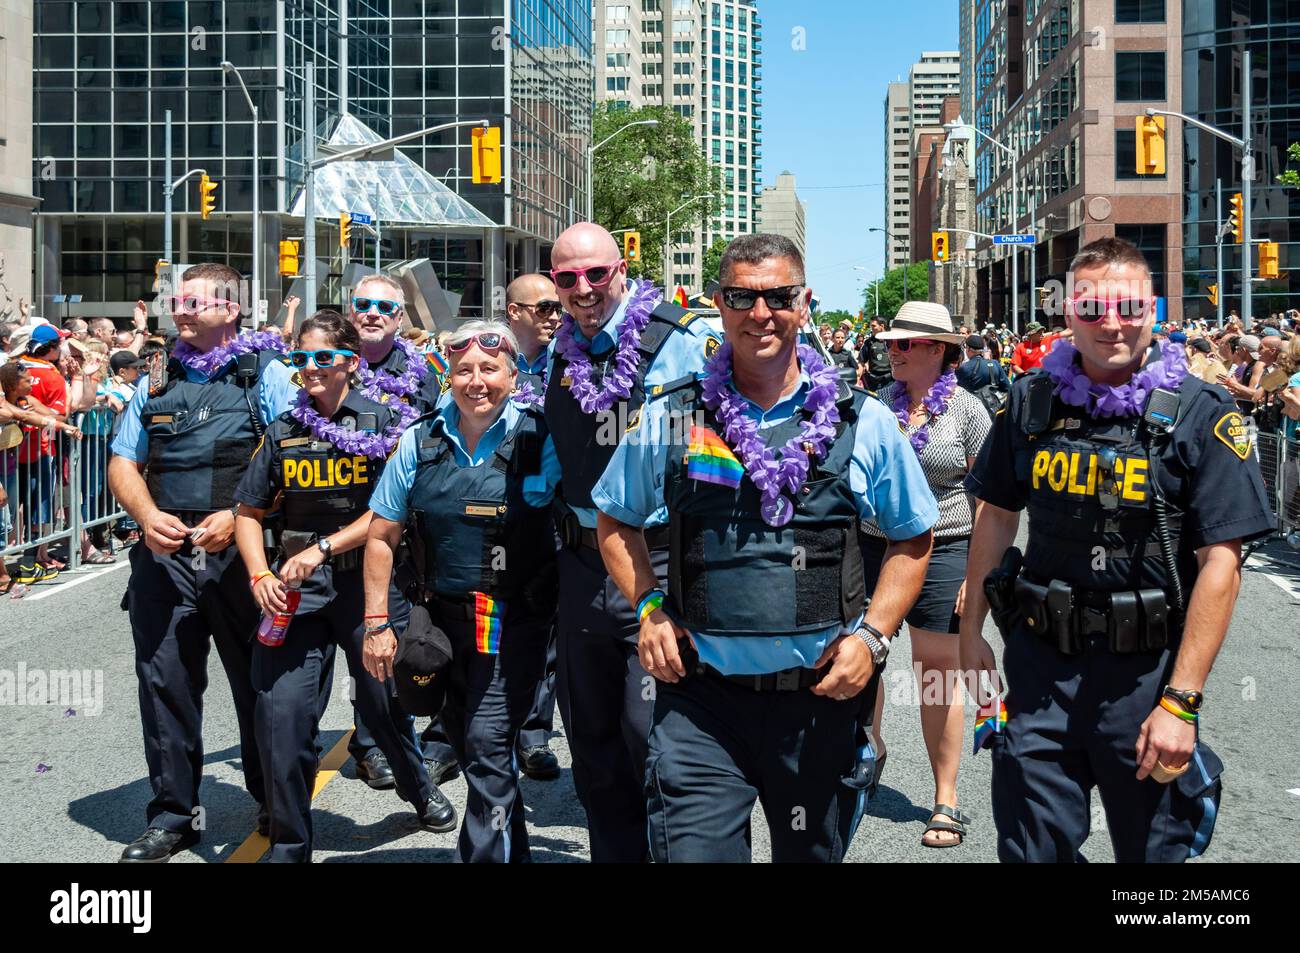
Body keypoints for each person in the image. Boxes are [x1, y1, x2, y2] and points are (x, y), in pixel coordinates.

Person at [593, 234, 936, 862]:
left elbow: (913, 535)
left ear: (804, 303)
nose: (760, 314)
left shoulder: (863, 420)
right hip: (700, 705)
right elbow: (615, 519)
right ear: (717, 304)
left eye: (777, 297)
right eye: (741, 297)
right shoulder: (674, 416)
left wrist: (875, 637)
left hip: (817, 701)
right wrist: (646, 608)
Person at [959, 237, 1272, 862]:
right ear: (1068, 311)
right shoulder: (1027, 401)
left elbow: (1222, 563)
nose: (1111, 323)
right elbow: (996, 514)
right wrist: (970, 635)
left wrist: (1182, 702)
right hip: (1040, 664)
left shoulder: (1200, 411)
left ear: (1152, 309)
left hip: (1146, 674)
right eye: (1092, 306)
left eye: (1128, 306)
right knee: (1030, 850)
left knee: (1154, 862)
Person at [233, 310, 451, 862]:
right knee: (284, 719)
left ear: (350, 364)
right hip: (297, 593)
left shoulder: (385, 423)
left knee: (382, 704)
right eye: (300, 358)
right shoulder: (283, 431)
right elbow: (247, 511)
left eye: (322, 358)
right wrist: (259, 571)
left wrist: (323, 548)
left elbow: (389, 513)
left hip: (366, 589)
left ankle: (418, 787)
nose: (309, 368)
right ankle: (289, 843)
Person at [108, 262, 297, 862]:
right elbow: (121, 461)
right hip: (164, 559)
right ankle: (173, 817)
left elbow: (298, 458)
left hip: (240, 557)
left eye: (195, 302)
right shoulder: (153, 380)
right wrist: (144, 516)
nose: (181, 311)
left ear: (232, 309)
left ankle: (273, 800)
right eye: (177, 302)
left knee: (259, 686)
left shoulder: (265, 374)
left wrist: (244, 517)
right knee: (165, 685)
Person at [543, 221, 717, 862]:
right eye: (568, 278)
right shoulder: (558, 351)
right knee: (592, 743)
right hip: (583, 568)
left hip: (662, 562)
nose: (584, 289)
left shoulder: (682, 340)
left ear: (623, 268)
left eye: (597, 273)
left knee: (659, 741)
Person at [362, 321, 561, 862]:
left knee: (486, 744)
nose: (477, 381)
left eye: (490, 369)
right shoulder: (418, 440)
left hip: (512, 621)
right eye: (464, 370)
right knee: (476, 749)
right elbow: (382, 536)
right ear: (448, 376)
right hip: (439, 625)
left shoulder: (543, 438)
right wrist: (378, 623)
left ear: (513, 374)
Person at [860, 303, 991, 847]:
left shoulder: (969, 411)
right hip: (875, 546)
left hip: (946, 547)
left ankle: (946, 798)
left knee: (936, 672)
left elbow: (991, 500)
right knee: (862, 657)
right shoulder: (873, 408)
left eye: (905, 344)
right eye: (891, 343)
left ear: (938, 350)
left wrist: (975, 575)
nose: (893, 350)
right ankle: (870, 749)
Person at [344, 274, 445, 787]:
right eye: (362, 304)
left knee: (385, 636)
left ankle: (375, 741)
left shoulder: (423, 372)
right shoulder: (327, 361)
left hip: (397, 526)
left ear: (401, 318)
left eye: (385, 306)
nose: (372, 313)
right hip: (336, 519)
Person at [505, 273, 561, 396]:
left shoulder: (568, 360)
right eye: (544, 308)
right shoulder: (487, 356)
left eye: (557, 309)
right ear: (515, 311)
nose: (554, 317)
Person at [956, 333, 1010, 402]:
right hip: (993, 408)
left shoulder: (963, 368)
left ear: (968, 349)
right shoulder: (995, 364)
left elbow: (958, 393)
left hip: (973, 408)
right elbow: (1006, 388)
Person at [857, 319, 893, 392]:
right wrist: (857, 382)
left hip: (890, 382)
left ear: (882, 326)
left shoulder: (892, 340)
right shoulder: (869, 342)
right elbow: (861, 362)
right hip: (873, 383)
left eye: (873, 326)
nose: (871, 328)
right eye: (870, 326)